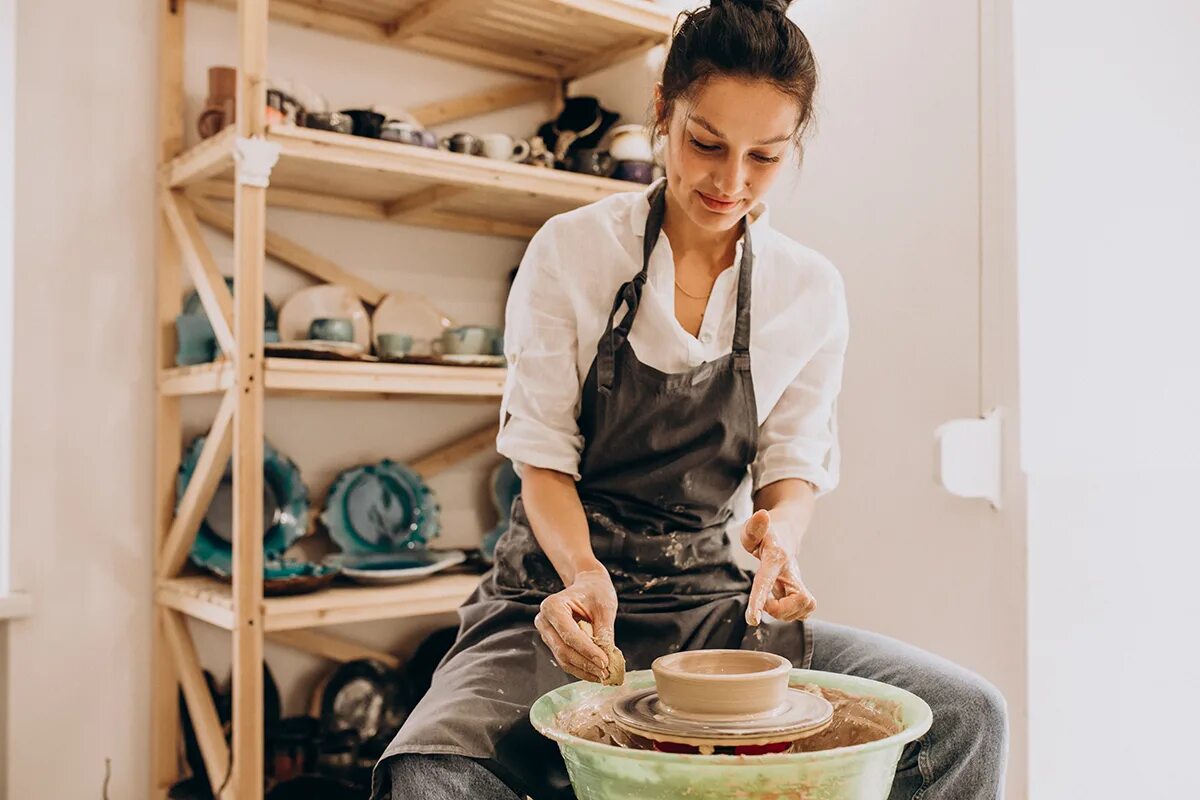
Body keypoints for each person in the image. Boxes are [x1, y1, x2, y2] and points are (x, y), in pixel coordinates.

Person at [371, 1, 1008, 798]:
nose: (731, 181)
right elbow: (541, 465)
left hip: (713, 608)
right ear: (663, 114)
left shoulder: (806, 290)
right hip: (555, 602)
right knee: (435, 775)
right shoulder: (571, 252)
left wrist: (780, 543)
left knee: (965, 716)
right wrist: (580, 575)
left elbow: (791, 469)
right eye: (706, 143)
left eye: (765, 157)